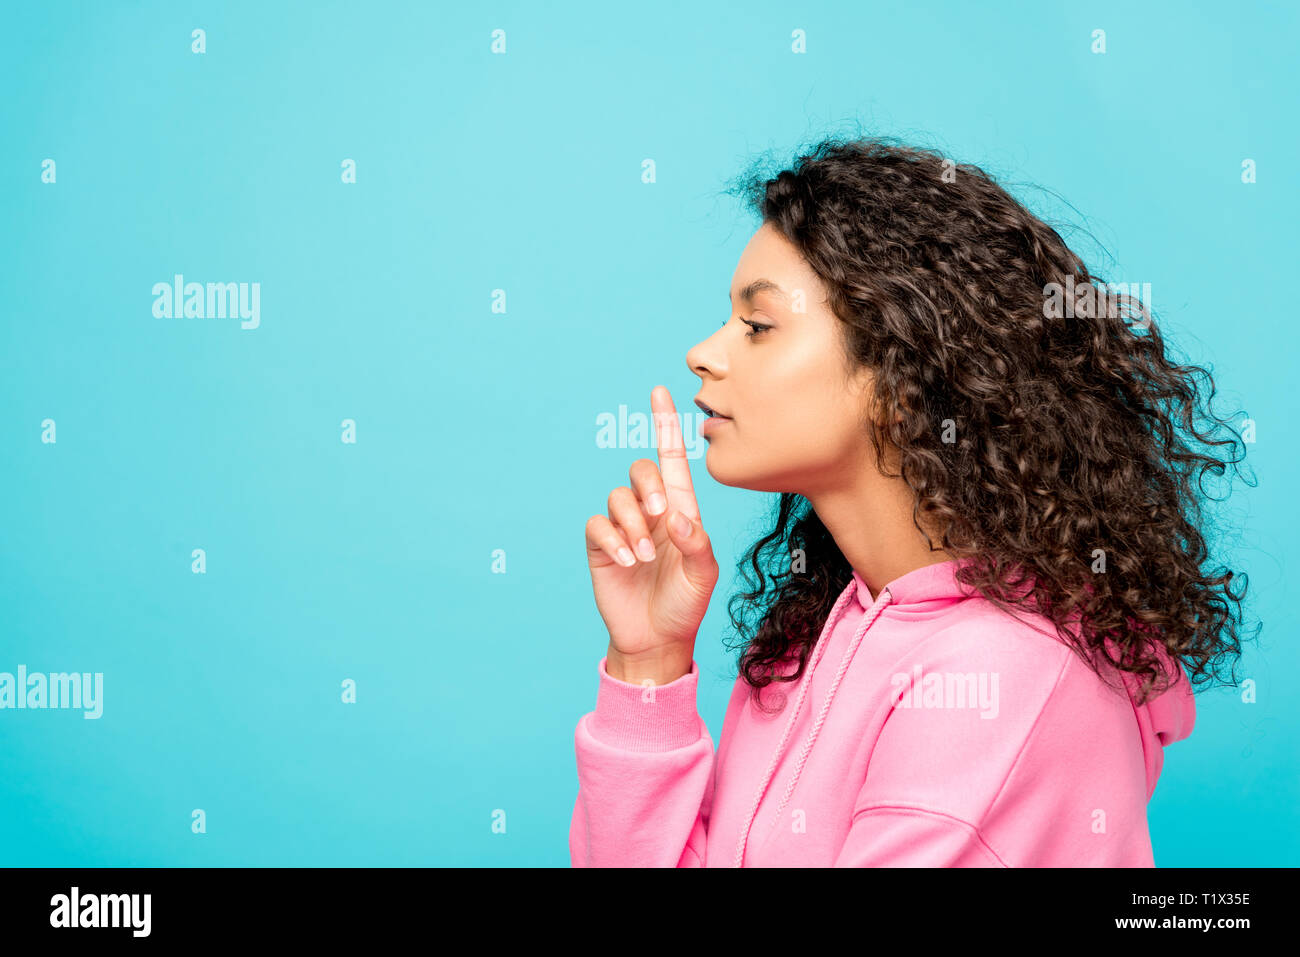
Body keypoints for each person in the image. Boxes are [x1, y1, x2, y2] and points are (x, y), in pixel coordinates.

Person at [573, 136, 1251, 867]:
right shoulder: (816, 633)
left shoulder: (1000, 680)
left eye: (758, 326)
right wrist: (648, 663)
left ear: (903, 375)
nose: (703, 353)